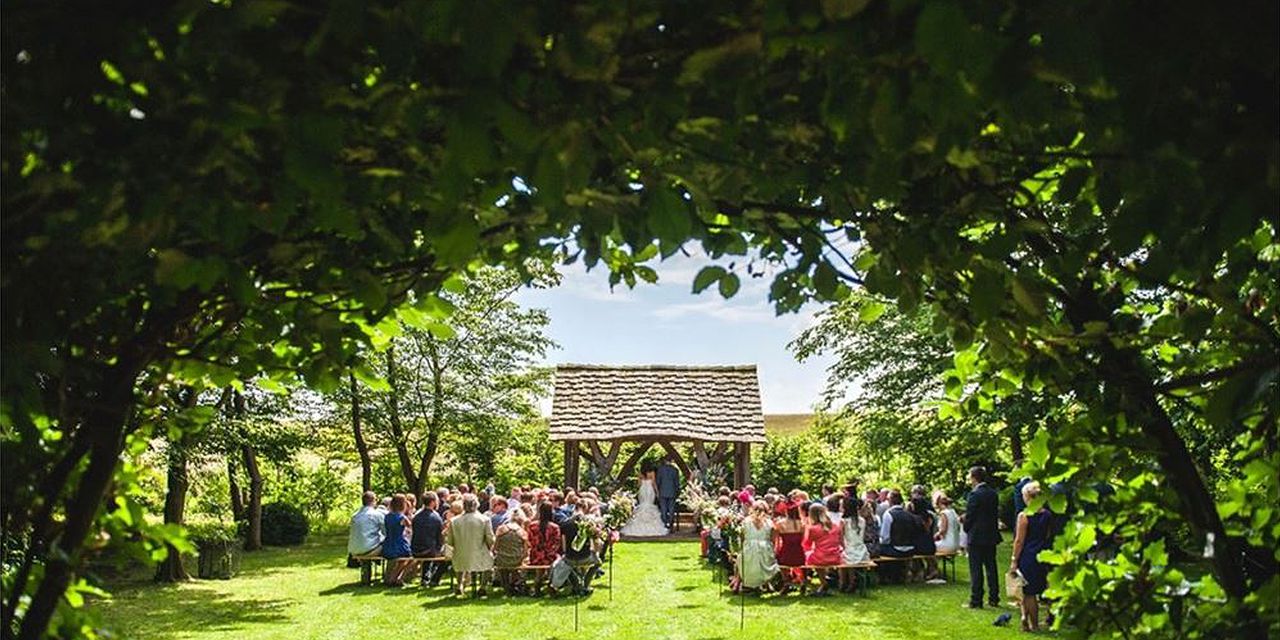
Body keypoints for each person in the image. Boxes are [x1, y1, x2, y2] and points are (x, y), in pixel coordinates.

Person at [1012, 481, 1052, 631]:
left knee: (1028, 592)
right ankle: (1027, 619)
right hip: (1041, 554)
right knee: (1033, 589)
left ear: (1027, 496)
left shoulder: (1024, 515)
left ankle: (1032, 623)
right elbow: (1047, 535)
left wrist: (1014, 560)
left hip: (1027, 555)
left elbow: (1019, 540)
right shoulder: (1047, 515)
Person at [964, 466, 1003, 609]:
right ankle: (994, 597)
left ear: (974, 478)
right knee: (991, 567)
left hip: (976, 536)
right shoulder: (993, 493)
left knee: (976, 569)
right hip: (991, 534)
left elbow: (970, 515)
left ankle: (976, 599)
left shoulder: (974, 495)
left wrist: (966, 527)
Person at [445, 494, 496, 596]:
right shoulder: (484, 519)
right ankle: (483, 587)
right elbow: (490, 539)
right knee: (490, 564)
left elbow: (449, 541)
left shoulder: (454, 521)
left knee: (460, 563)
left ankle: (459, 585)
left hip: (460, 555)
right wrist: (491, 548)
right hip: (479, 555)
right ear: (476, 505)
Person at [737, 500, 780, 593]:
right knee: (765, 560)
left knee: (742, 559)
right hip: (765, 548)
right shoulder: (769, 523)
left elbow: (742, 537)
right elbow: (773, 539)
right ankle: (767, 584)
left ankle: (740, 584)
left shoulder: (746, 521)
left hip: (749, 548)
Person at [802, 503, 843, 596]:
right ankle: (823, 583)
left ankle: (816, 583)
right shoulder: (835, 526)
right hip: (835, 556)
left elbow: (807, 544)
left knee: (807, 557)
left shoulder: (813, 529)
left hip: (821, 558)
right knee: (816, 556)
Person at [526, 501, 562, 595]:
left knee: (539, 573)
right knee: (557, 564)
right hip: (550, 557)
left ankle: (537, 589)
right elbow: (557, 543)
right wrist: (550, 552)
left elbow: (529, 541)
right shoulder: (555, 527)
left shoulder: (532, 526)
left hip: (535, 556)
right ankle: (551, 587)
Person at [620, 468, 669, 537]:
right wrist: (657, 492)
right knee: (649, 503)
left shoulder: (640, 473)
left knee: (642, 504)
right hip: (650, 489)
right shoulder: (652, 472)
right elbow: (653, 483)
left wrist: (642, 484)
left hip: (642, 489)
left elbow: (639, 484)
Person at [411, 493, 446, 585]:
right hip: (428, 551)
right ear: (433, 502)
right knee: (446, 558)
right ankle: (434, 579)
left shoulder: (416, 516)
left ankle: (425, 577)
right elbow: (440, 537)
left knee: (430, 548)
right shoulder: (436, 517)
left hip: (415, 549)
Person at [493, 510, 530, 594]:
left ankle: (506, 586)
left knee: (502, 565)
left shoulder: (501, 529)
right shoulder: (523, 532)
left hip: (502, 560)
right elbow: (525, 552)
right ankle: (515, 583)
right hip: (516, 560)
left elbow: (495, 548)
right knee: (521, 564)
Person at [381, 494, 414, 586]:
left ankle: (392, 578)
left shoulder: (387, 516)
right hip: (399, 545)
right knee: (412, 558)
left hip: (388, 544)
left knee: (402, 560)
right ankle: (396, 578)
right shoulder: (402, 518)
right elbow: (411, 527)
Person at [839, 497, 870, 593]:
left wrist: (843, 547)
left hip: (849, 549)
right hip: (862, 551)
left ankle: (844, 582)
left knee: (843, 557)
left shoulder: (843, 521)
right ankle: (851, 582)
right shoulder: (862, 520)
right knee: (847, 557)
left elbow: (841, 538)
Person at [347, 491, 385, 557]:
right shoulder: (377, 514)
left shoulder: (355, 515)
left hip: (353, 551)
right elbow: (386, 532)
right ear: (373, 501)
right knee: (390, 546)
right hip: (369, 550)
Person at [656, 456, 681, 530]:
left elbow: (658, 481)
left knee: (663, 508)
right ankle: (670, 523)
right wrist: (677, 491)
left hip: (662, 491)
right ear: (671, 461)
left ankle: (664, 523)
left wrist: (658, 490)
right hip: (672, 491)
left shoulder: (660, 469)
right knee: (671, 508)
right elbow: (677, 482)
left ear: (665, 460)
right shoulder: (675, 470)